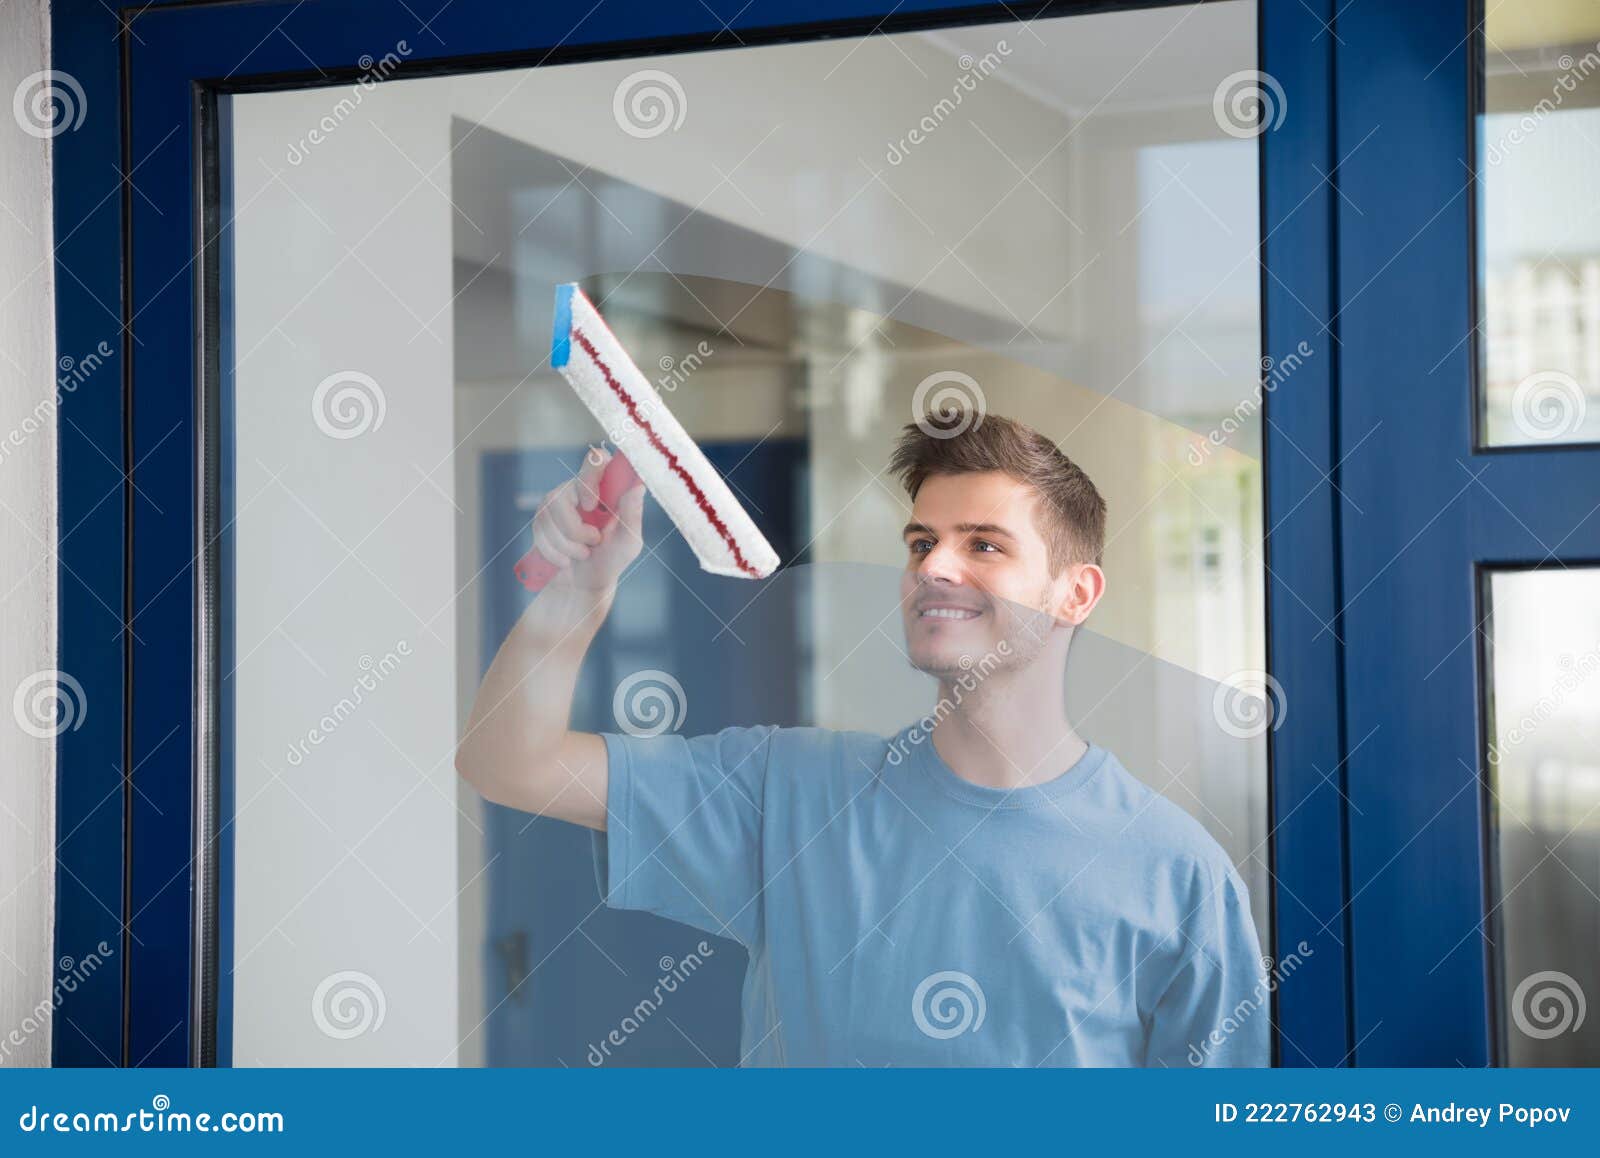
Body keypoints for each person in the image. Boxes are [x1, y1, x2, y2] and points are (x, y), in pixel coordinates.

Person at [456, 411, 1269, 1066]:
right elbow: (508, 763)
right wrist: (577, 598)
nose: (934, 567)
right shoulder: (789, 792)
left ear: (1074, 594)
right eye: (922, 543)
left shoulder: (1174, 874)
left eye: (983, 544)